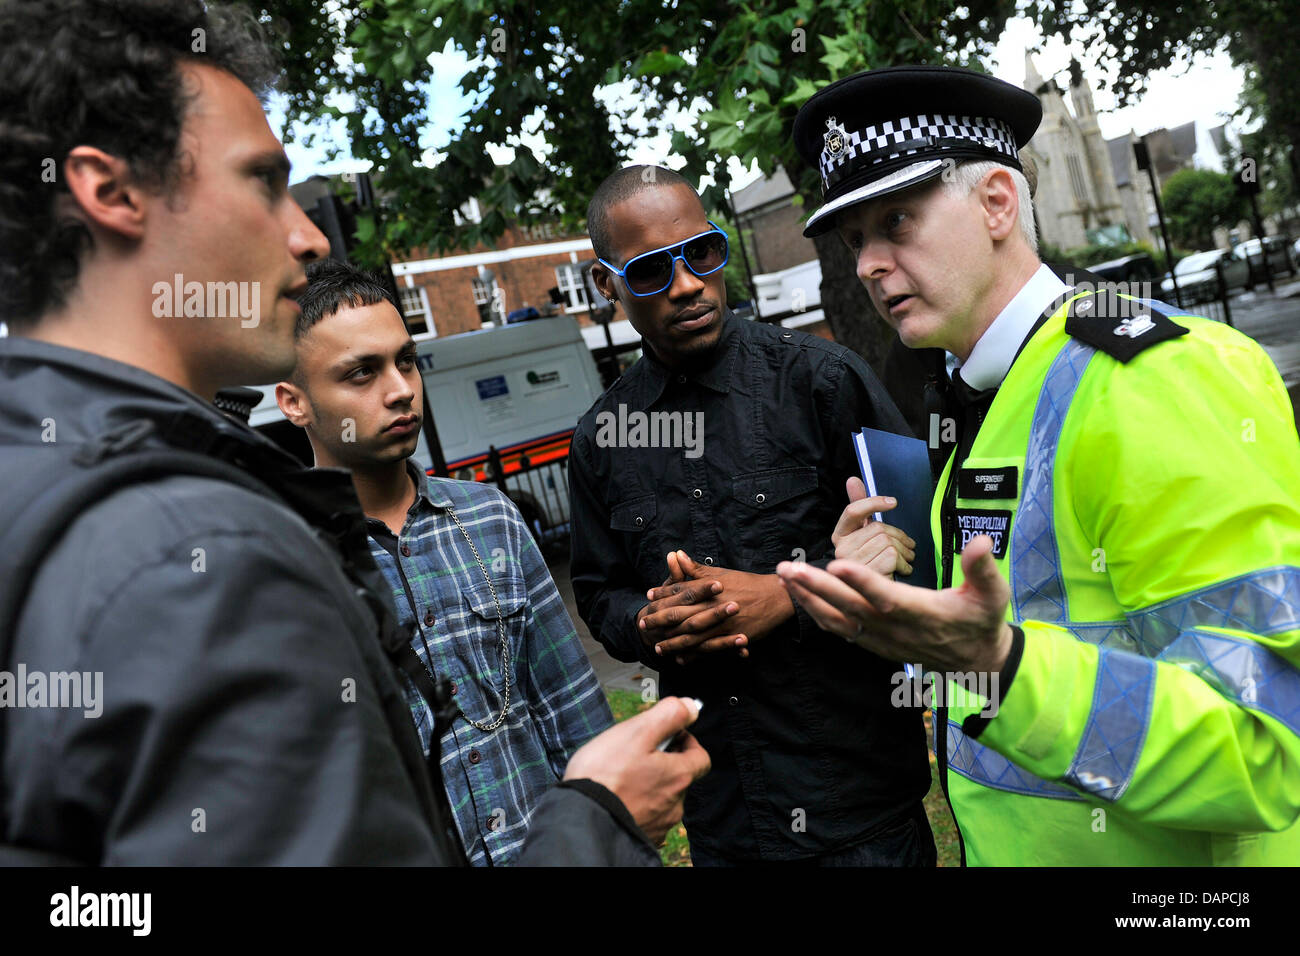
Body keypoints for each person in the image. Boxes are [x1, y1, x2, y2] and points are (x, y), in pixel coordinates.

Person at [0, 0, 706, 865]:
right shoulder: (202, 549)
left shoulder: (38, 483)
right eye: (263, 183)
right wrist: (596, 818)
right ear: (110, 192)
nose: (304, 236)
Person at [777, 64, 1300, 865]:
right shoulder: (991, 388)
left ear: (997, 202)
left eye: (898, 222)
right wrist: (896, 592)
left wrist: (1001, 668)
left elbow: (1269, 750)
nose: (868, 265)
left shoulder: (1148, 376)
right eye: (854, 242)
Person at [569, 165, 935, 866]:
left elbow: (921, 548)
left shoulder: (825, 381)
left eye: (702, 254)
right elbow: (598, 593)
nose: (685, 285)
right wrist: (648, 623)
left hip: (860, 812)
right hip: (727, 820)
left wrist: (792, 594)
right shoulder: (600, 440)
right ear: (605, 285)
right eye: (649, 270)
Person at [274, 259, 615, 865]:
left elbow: (573, 711)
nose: (401, 388)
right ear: (294, 402)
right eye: (361, 372)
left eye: (406, 360)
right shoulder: (282, 567)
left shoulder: (491, 519)